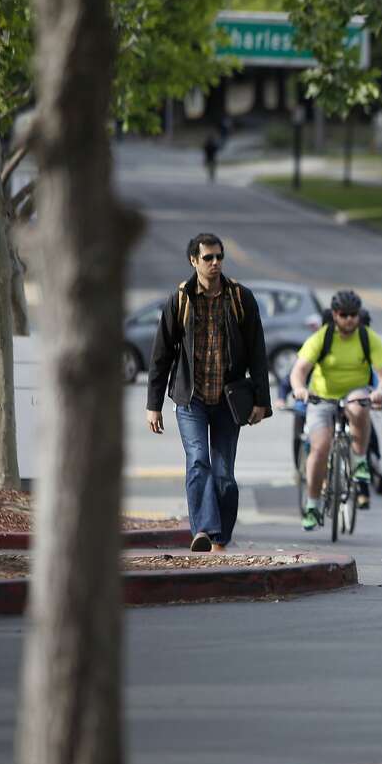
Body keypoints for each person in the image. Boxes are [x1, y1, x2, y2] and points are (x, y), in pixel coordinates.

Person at [146, 233, 271, 552]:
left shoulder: (240, 298)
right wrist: (153, 404)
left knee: (224, 475)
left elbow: (257, 351)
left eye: (219, 257)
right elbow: (161, 354)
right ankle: (202, 530)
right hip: (192, 400)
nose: (215, 263)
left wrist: (262, 401)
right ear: (193, 261)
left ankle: (220, 539)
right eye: (208, 258)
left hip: (228, 401)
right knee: (198, 461)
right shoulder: (181, 299)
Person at [290, 290, 382, 530]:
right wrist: (299, 389)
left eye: (353, 315)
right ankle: (313, 505)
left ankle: (359, 460)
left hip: (354, 391)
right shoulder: (322, 337)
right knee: (320, 447)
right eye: (344, 315)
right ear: (335, 315)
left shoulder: (367, 337)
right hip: (322, 396)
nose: (349, 319)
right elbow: (299, 370)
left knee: (359, 405)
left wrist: (380, 391)